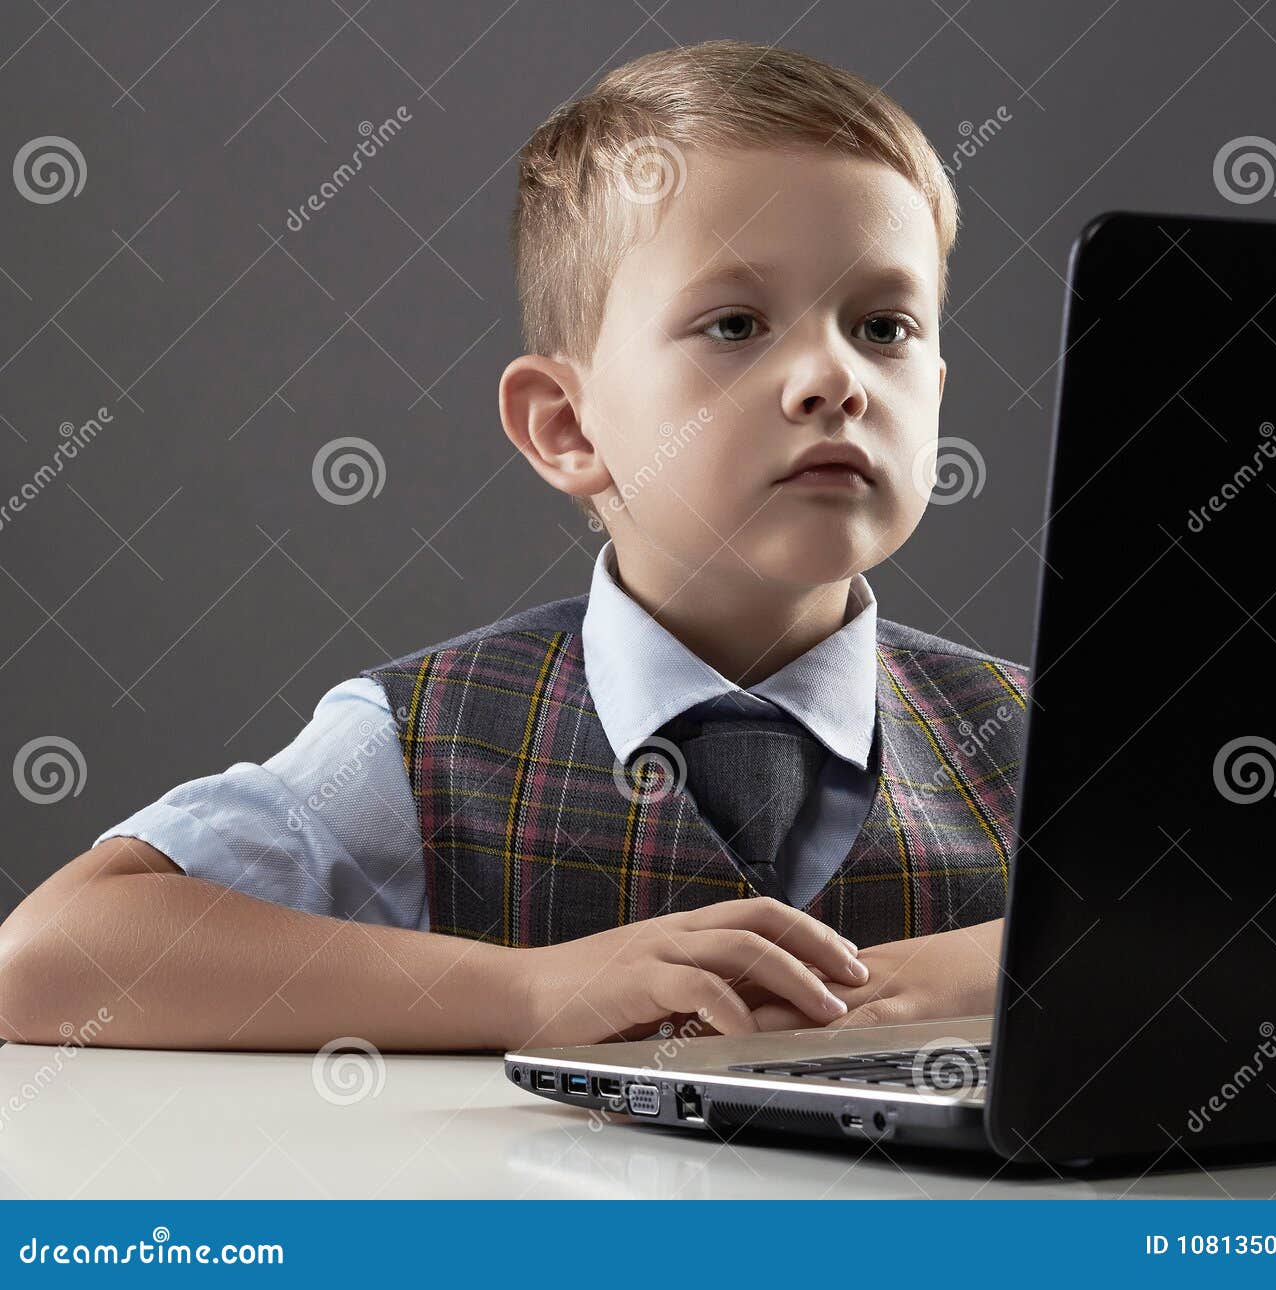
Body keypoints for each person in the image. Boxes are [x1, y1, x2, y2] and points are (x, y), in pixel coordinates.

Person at [0, 39, 1028, 1053]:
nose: (834, 380)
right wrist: (529, 992)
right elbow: (46, 959)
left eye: (883, 328)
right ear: (567, 426)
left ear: (934, 395)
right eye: (734, 325)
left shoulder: (1045, 739)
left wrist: (984, 970)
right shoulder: (422, 744)